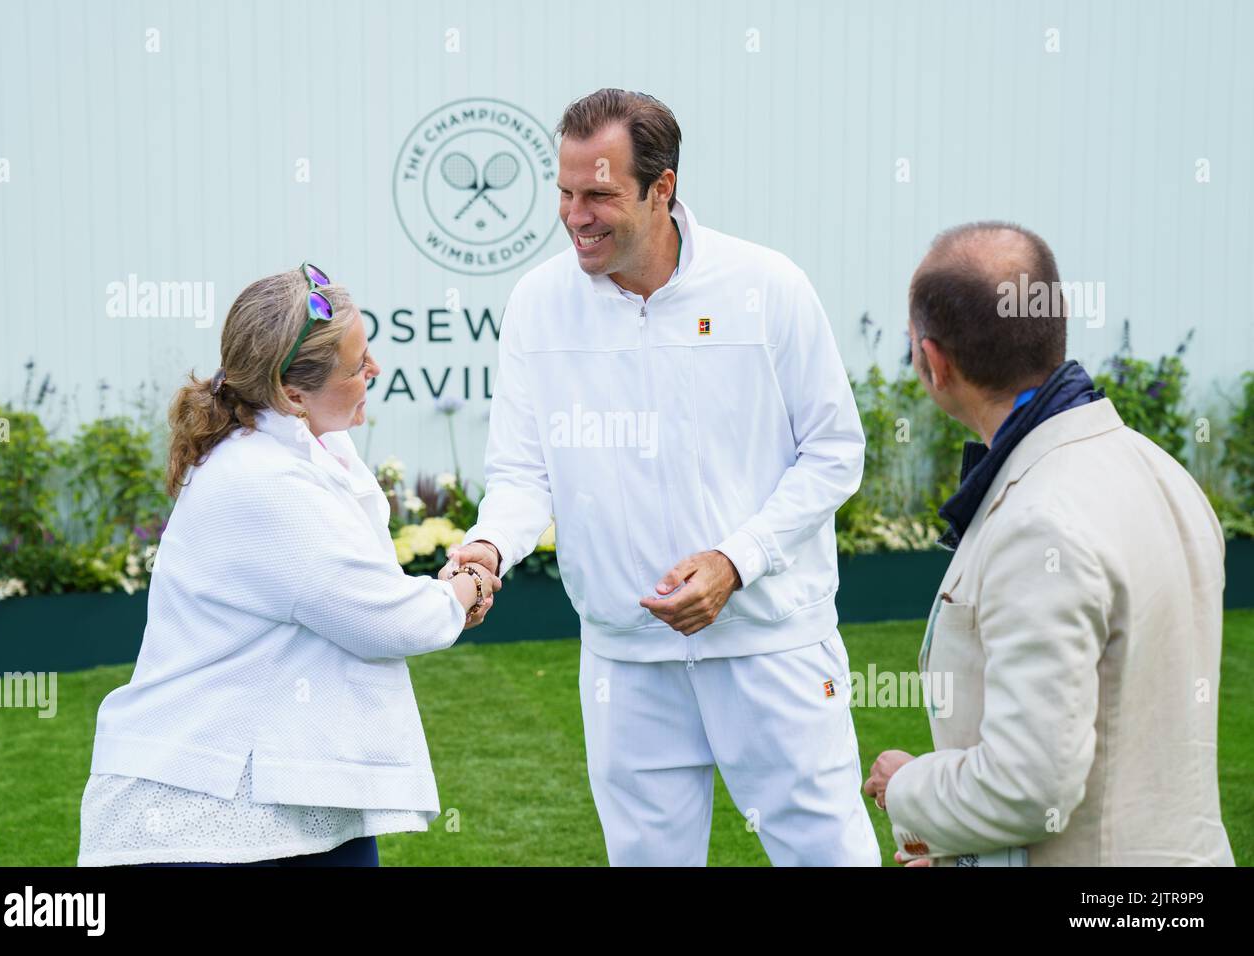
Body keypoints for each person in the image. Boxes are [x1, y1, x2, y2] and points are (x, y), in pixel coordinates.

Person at [443, 89, 879, 866]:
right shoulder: (538, 303)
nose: (577, 216)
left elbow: (834, 450)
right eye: (567, 194)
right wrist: (485, 551)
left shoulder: (768, 286)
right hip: (625, 657)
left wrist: (735, 561)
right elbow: (520, 472)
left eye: (600, 195)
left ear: (662, 189)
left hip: (771, 643)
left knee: (828, 856)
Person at [77, 263, 498, 867]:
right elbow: (385, 621)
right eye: (357, 366)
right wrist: (468, 583)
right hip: (198, 816)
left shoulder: (308, 450)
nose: (374, 371)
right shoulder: (262, 480)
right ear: (292, 393)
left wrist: (449, 593)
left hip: (292, 794)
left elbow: (362, 591)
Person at [862, 222, 1235, 866]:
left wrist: (910, 791)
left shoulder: (1038, 522)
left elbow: (1030, 786)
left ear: (934, 362)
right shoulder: (1162, 471)